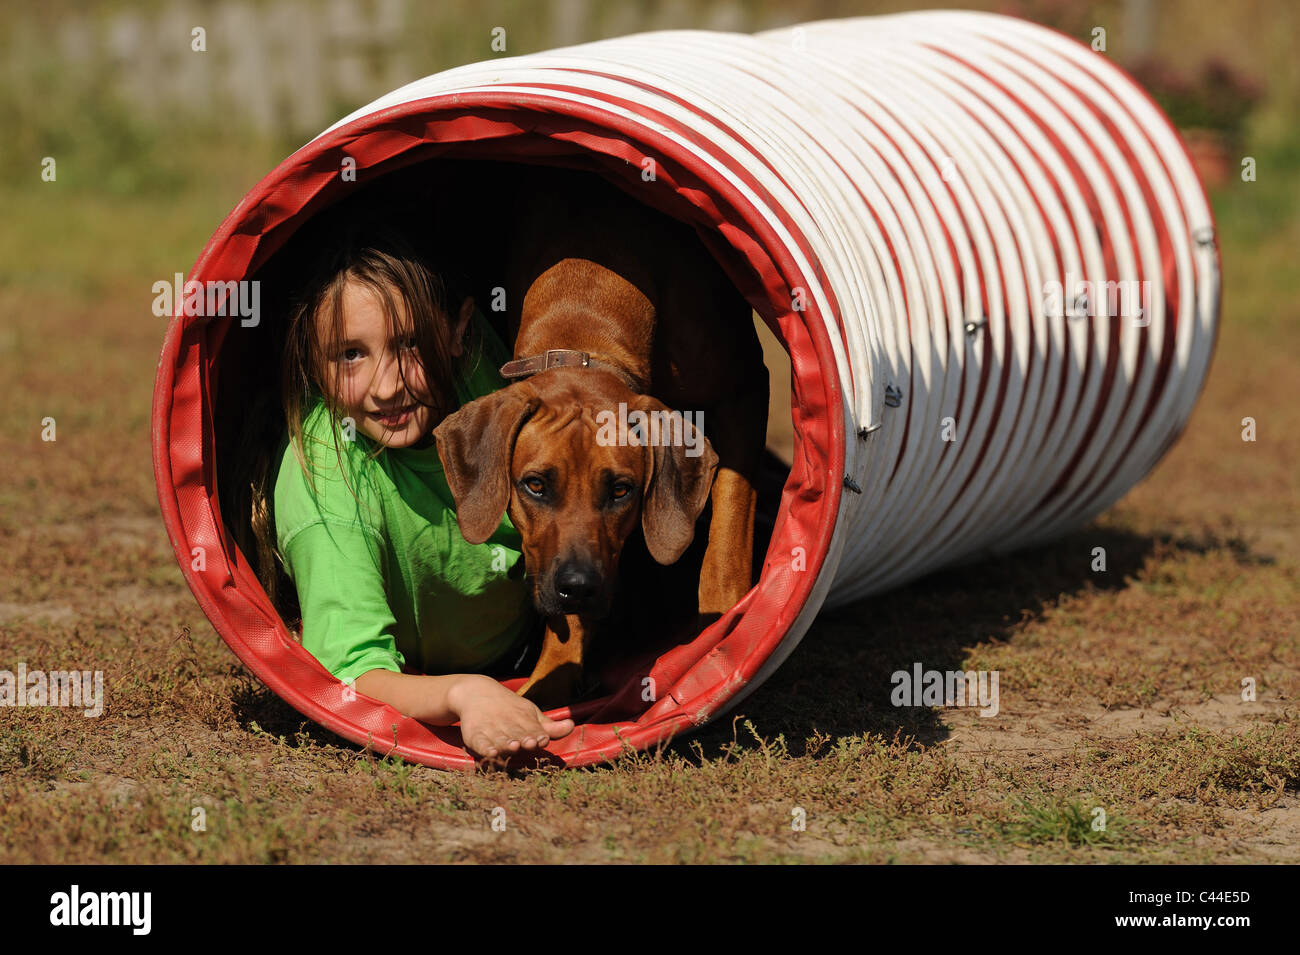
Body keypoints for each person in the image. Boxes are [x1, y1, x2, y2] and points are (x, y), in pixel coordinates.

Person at [270, 219, 573, 760]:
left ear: (460, 332)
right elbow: (352, 675)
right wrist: (463, 692)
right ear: (312, 363)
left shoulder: (485, 371)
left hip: (544, 629)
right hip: (440, 667)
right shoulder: (327, 476)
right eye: (350, 355)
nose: (388, 387)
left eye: (410, 345)